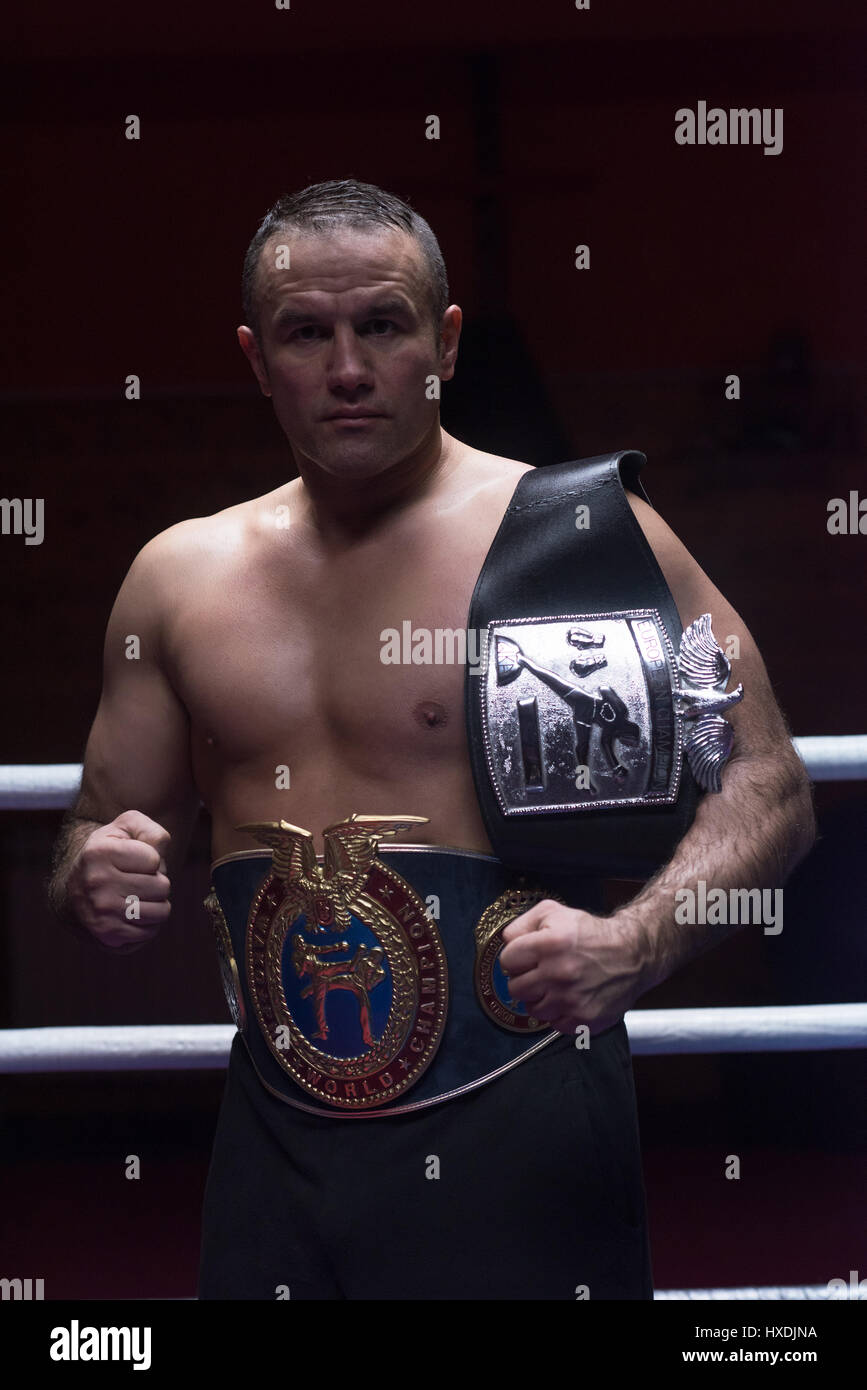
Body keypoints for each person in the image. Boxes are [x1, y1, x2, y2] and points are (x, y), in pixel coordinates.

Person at [48, 178, 815, 1300]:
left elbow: (772, 783)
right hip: (277, 1142)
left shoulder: (582, 539)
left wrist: (639, 941)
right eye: (309, 333)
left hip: (526, 1123)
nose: (349, 368)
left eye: (383, 325)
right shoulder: (179, 579)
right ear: (260, 357)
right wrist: (93, 874)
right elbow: (91, 832)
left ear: (443, 340)